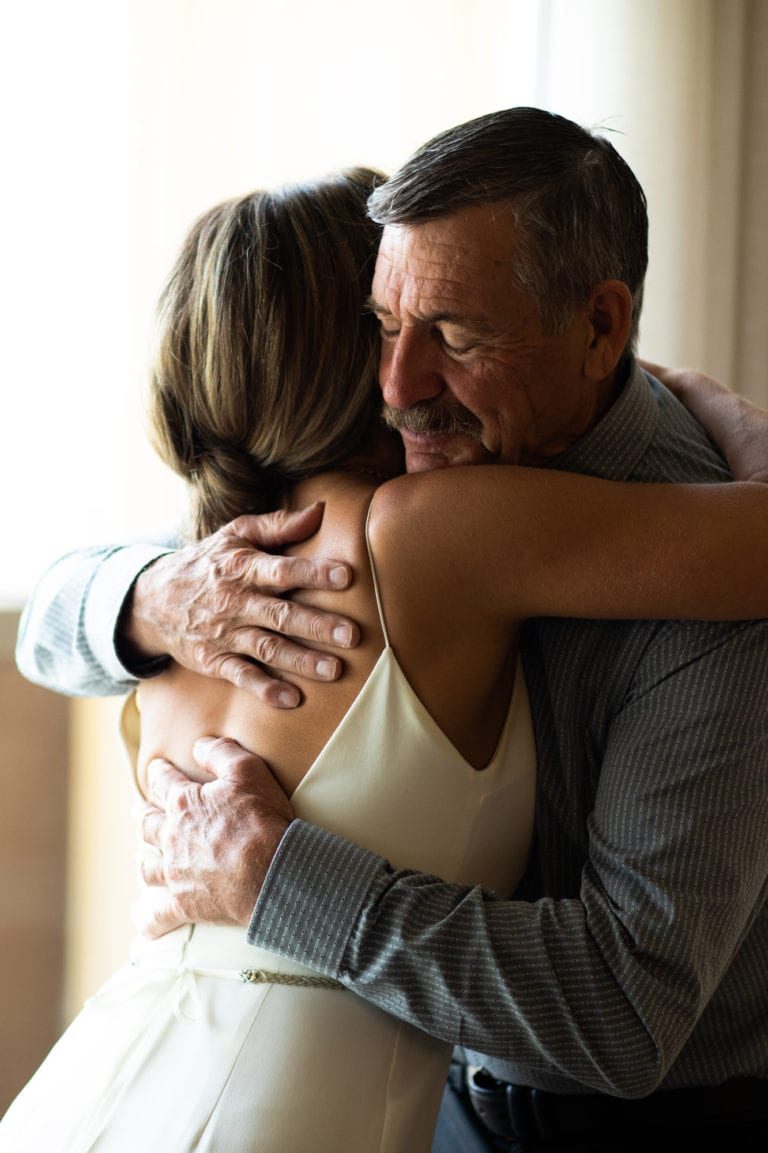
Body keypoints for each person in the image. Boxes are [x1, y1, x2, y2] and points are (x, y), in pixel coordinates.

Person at [14, 108, 768, 1152]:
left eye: (453, 336)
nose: (402, 385)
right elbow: (51, 619)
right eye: (381, 326)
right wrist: (146, 598)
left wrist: (283, 879)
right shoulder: (290, 545)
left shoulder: (632, 566)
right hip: (410, 1100)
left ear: (600, 327)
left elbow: (626, 1013)